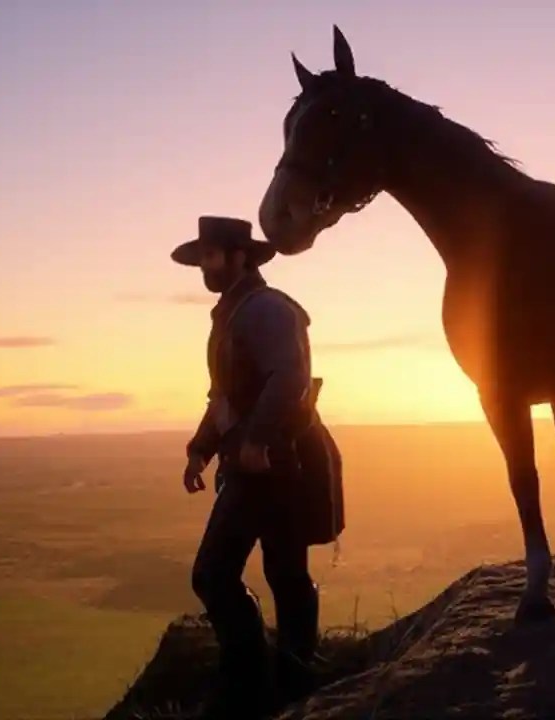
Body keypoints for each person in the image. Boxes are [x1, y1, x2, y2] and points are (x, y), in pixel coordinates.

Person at [171, 215, 344, 718]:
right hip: (268, 458)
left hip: (274, 460)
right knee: (284, 571)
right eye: (201, 257)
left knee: (214, 573)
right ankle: (290, 678)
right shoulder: (234, 312)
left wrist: (257, 440)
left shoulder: (265, 309)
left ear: (240, 256)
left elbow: (288, 378)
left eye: (212, 255)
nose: (205, 266)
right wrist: (201, 446)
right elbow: (227, 395)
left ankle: (251, 683)